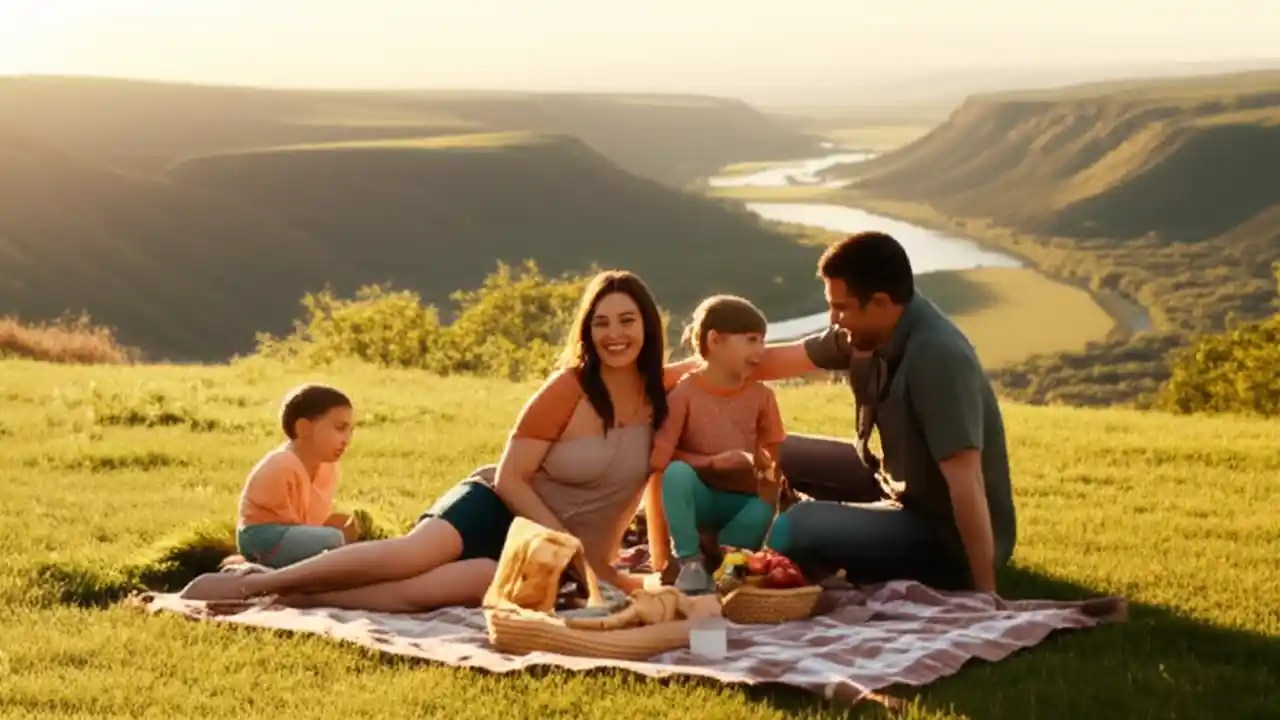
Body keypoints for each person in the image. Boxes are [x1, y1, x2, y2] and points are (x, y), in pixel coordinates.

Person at [178, 269, 668, 610]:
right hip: (496, 507)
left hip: (545, 552)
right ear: (587, 330)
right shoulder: (568, 388)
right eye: (601, 322)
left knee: (428, 593)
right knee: (411, 556)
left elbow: (733, 368)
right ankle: (254, 584)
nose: (614, 334)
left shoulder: (666, 391)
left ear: (648, 323)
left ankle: (293, 595)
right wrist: (572, 549)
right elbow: (509, 476)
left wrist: (631, 563)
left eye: (627, 320)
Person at [680, 232, 1017, 593]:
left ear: (881, 302)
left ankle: (752, 558)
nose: (833, 318)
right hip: (891, 482)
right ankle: (706, 542)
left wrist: (985, 595)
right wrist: (655, 382)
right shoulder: (870, 330)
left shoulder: (938, 358)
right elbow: (762, 361)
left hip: (942, 533)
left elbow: (968, 485)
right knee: (772, 449)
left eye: (841, 307)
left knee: (798, 526)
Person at [645, 295, 786, 594]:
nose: (761, 351)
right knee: (677, 474)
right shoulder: (685, 393)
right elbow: (660, 459)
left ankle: (730, 566)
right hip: (700, 500)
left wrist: (764, 479)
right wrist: (710, 462)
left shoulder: (762, 397)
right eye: (751, 340)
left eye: (762, 341)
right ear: (715, 340)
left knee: (762, 508)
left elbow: (772, 464)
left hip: (739, 501)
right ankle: (691, 561)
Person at [235, 384, 360, 568]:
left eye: (351, 431)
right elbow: (285, 519)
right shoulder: (281, 464)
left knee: (346, 527)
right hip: (261, 537)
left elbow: (314, 515)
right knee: (333, 538)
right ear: (304, 429)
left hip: (293, 533)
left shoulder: (329, 468)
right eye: (339, 428)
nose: (347, 440)